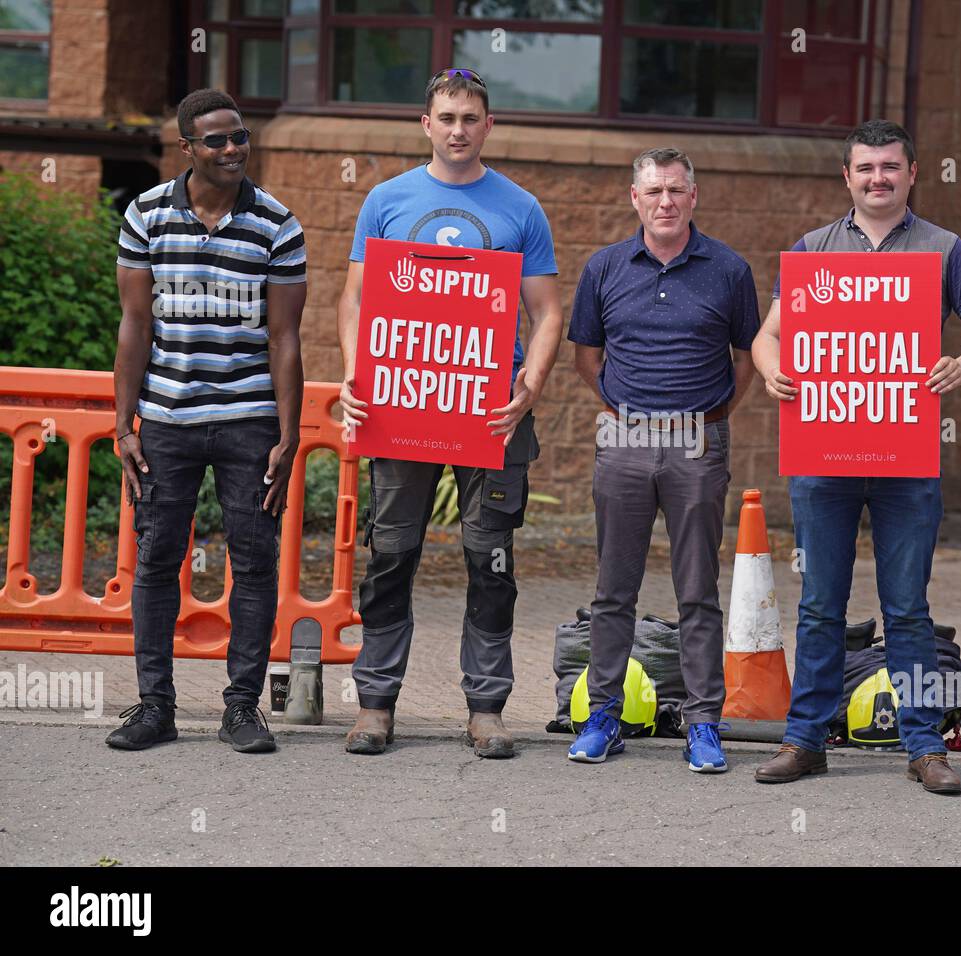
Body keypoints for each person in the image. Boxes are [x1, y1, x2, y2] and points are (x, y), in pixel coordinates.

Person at [750, 119, 961, 792]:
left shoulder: (944, 248)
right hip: (826, 452)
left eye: (890, 168)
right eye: (865, 169)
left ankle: (924, 747)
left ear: (912, 173)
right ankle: (805, 741)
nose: (878, 178)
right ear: (847, 177)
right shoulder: (815, 248)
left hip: (906, 456)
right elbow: (767, 336)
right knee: (818, 605)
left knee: (908, 609)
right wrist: (773, 369)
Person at [336, 68, 563, 758]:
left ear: (487, 126)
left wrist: (531, 382)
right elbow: (355, 300)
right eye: (446, 117)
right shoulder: (386, 199)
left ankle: (487, 710)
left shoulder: (520, 207)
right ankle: (375, 705)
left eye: (470, 118)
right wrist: (354, 372)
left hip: (490, 410)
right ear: (425, 124)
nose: (458, 129)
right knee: (392, 554)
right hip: (401, 405)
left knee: (488, 559)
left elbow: (548, 309)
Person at [109, 88, 306, 753]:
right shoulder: (145, 215)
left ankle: (242, 709)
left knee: (254, 560)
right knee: (158, 557)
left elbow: (285, 340)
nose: (232, 150)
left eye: (240, 137)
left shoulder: (277, 224)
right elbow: (136, 324)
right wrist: (124, 423)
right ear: (187, 148)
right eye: (216, 140)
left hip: (249, 420)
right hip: (166, 419)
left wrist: (288, 433)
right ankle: (153, 707)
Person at [565, 147, 759, 772]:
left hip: (699, 440)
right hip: (623, 438)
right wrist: (624, 410)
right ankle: (603, 717)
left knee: (697, 590)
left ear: (693, 196)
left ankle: (703, 724)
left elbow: (747, 357)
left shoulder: (728, 270)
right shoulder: (604, 268)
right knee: (612, 590)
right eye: (654, 192)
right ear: (635, 198)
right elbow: (587, 357)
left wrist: (712, 415)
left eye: (676, 190)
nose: (666, 202)